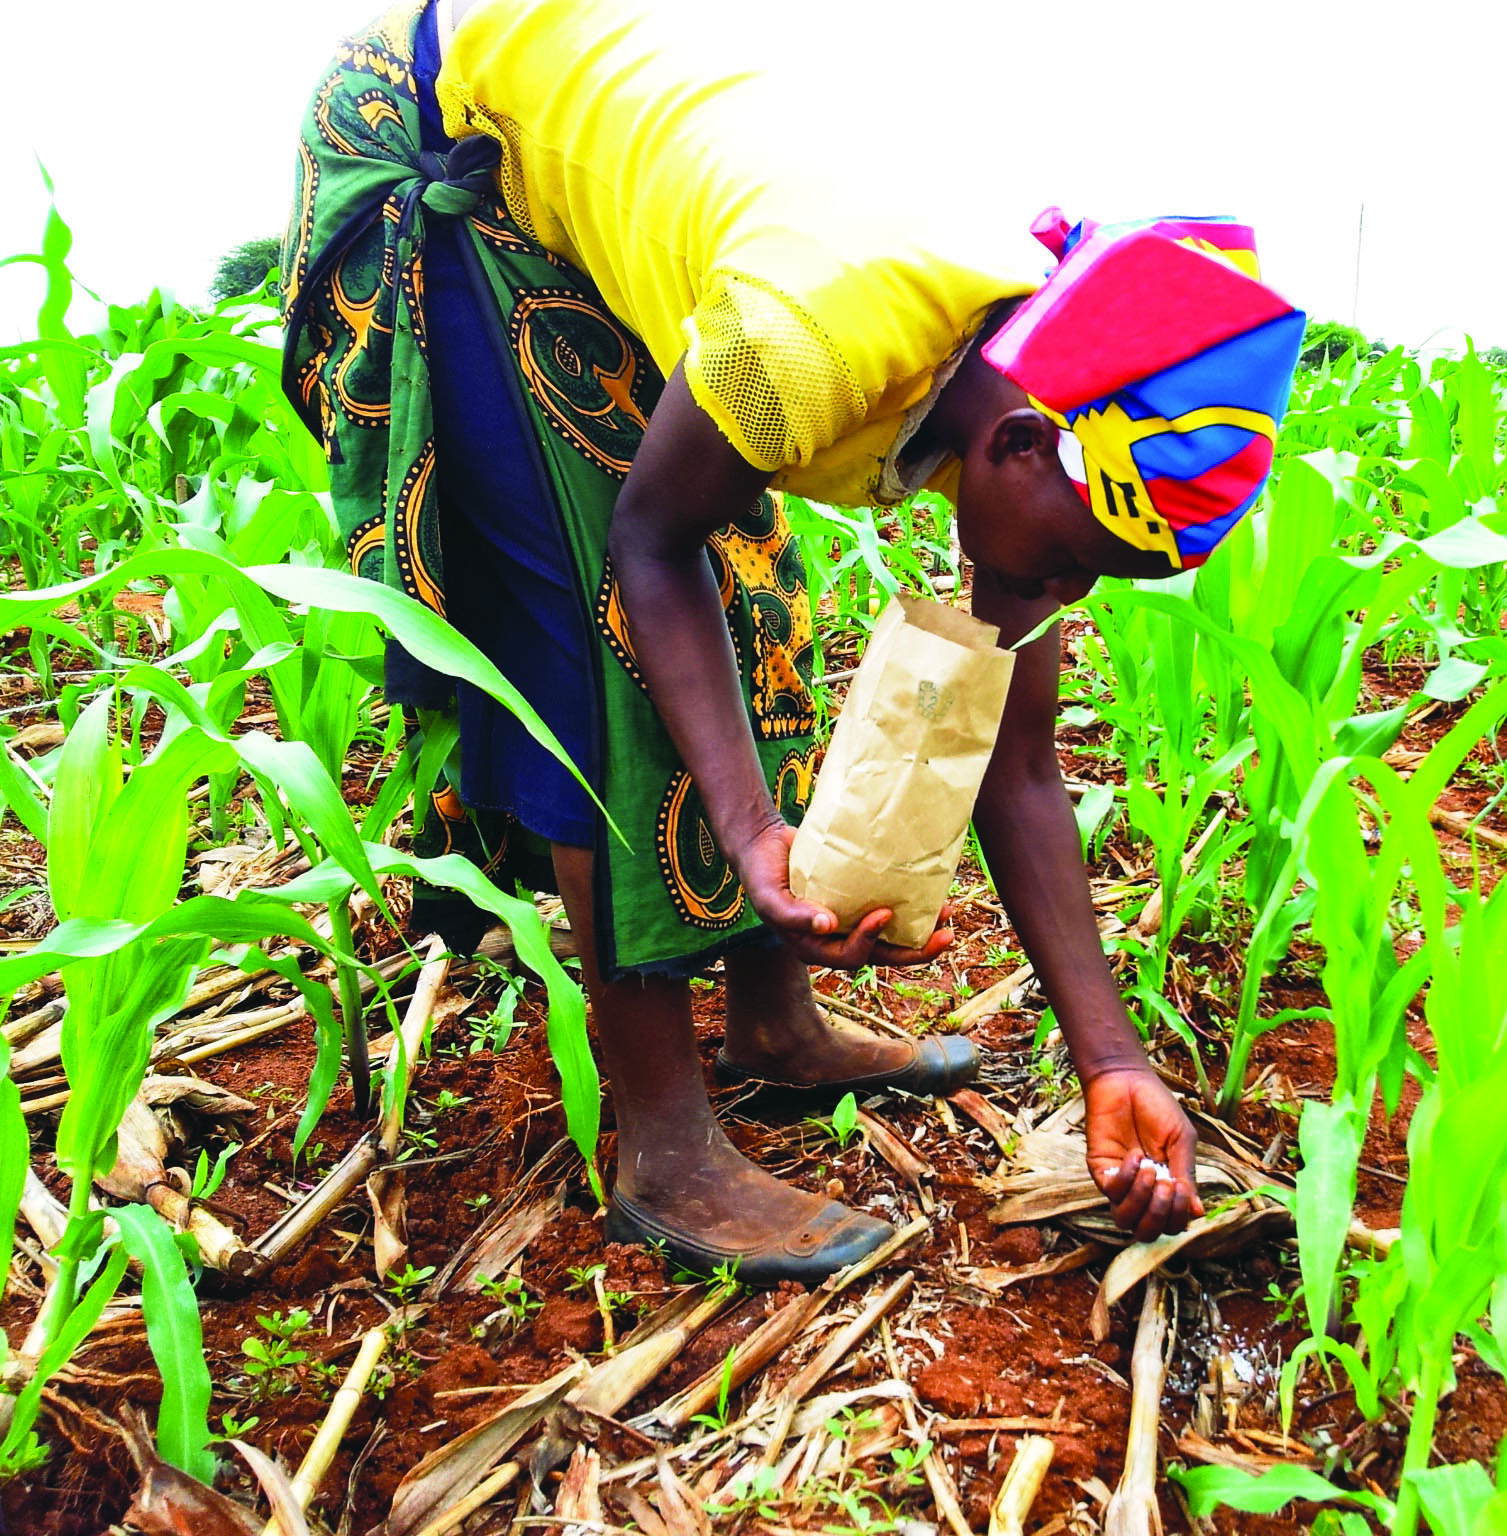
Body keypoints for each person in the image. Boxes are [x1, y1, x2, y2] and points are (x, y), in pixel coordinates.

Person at [282, 0, 1306, 1283]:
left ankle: (773, 1023)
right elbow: (647, 550)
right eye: (1063, 563)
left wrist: (1111, 1061)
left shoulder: (1030, 388)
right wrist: (751, 825)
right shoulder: (816, 332)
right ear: (1021, 445)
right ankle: (659, 1141)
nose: (1053, 595)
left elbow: (1020, 757)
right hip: (449, 123)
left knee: (758, 608)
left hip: (634, 182)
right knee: (611, 650)